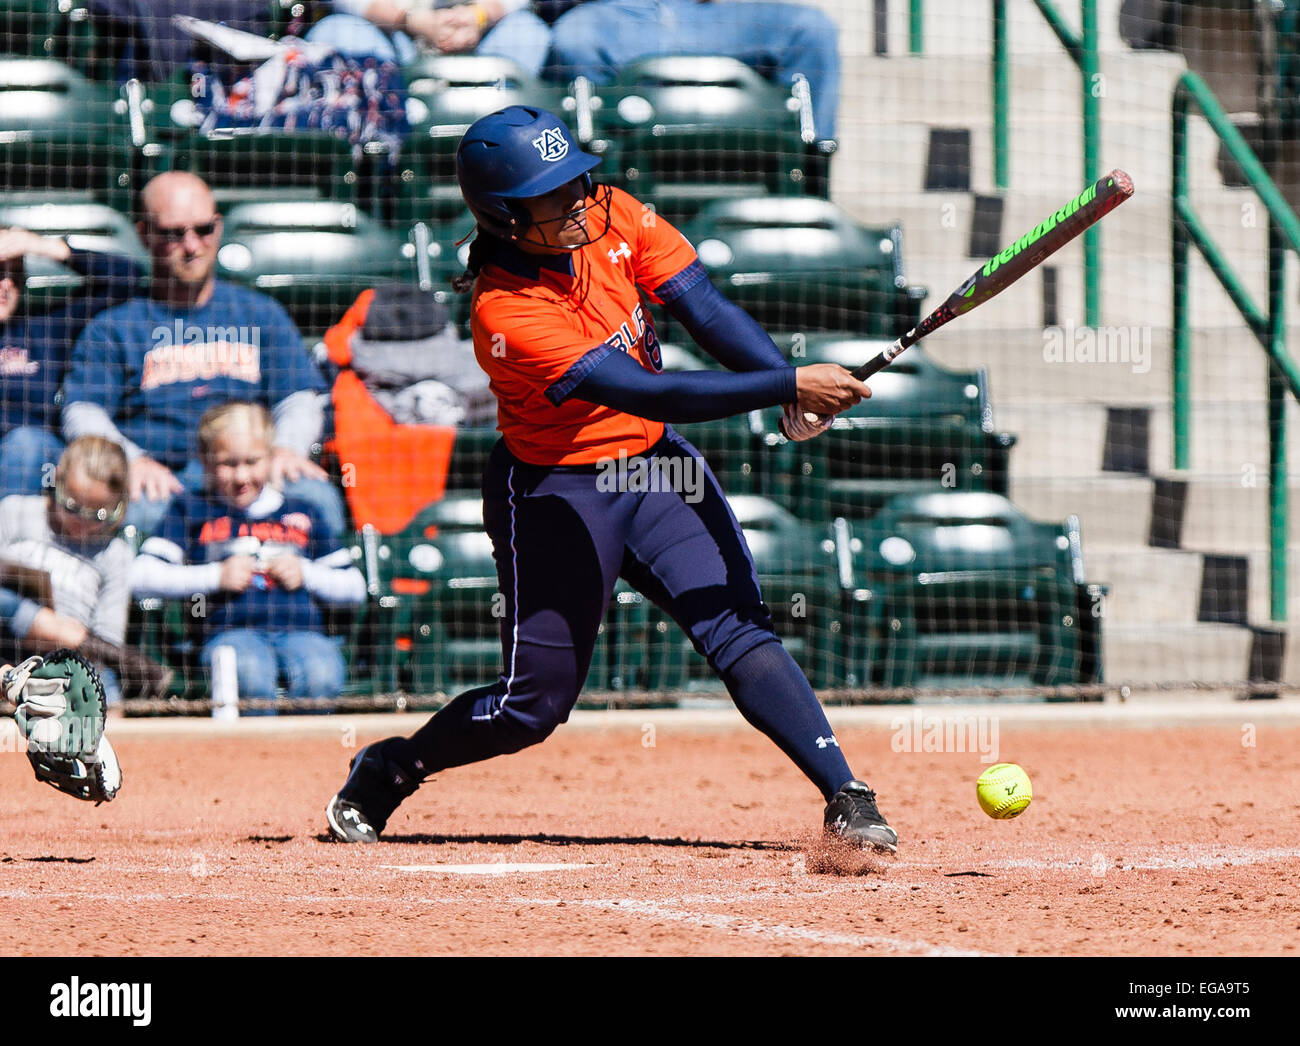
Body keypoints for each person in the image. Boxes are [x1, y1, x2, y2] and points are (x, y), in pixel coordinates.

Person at [324, 104, 897, 851]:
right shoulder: (506, 312)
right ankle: (392, 767)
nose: (577, 202)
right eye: (551, 194)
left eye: (577, 181)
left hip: (659, 471)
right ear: (503, 216)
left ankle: (846, 796)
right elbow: (654, 392)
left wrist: (787, 393)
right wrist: (788, 383)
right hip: (559, 497)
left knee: (736, 624)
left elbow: (703, 307)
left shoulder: (612, 213)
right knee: (532, 709)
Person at [59, 171, 346, 538]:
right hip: (164, 481)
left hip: (250, 474)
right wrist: (132, 462)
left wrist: (286, 450)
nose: (192, 245)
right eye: (174, 234)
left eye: (203, 230)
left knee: (315, 499)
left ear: (219, 227)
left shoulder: (259, 313)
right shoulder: (115, 326)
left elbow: (298, 397)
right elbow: (83, 411)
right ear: (145, 234)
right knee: (141, 514)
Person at [313, 1, 840, 142]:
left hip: (709, 12)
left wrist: (478, 14)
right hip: (393, 25)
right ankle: (380, 188)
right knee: (570, 37)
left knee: (812, 30)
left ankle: (810, 177)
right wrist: (414, 19)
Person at [130, 401, 366, 714]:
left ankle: (305, 748)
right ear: (204, 460)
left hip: (304, 634)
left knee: (320, 675)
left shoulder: (303, 511)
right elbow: (140, 577)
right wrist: (216, 576)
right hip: (228, 634)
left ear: (271, 456)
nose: (241, 476)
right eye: (228, 464)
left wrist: (305, 572)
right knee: (249, 674)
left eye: (252, 462)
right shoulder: (191, 509)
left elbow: (354, 587)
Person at [0, 437, 151, 709]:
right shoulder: (15, 511)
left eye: (97, 515)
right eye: (72, 507)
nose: (81, 522)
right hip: (6, 644)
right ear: (58, 480)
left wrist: (66, 639)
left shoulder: (114, 553)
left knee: (103, 689)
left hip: (68, 663)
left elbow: (108, 639)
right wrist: (35, 620)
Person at [0, 226, 143, 500]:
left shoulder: (45, 327)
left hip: (38, 463)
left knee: (24, 445)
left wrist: (46, 247)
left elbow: (126, 278)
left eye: (15, 274)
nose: (6, 285)